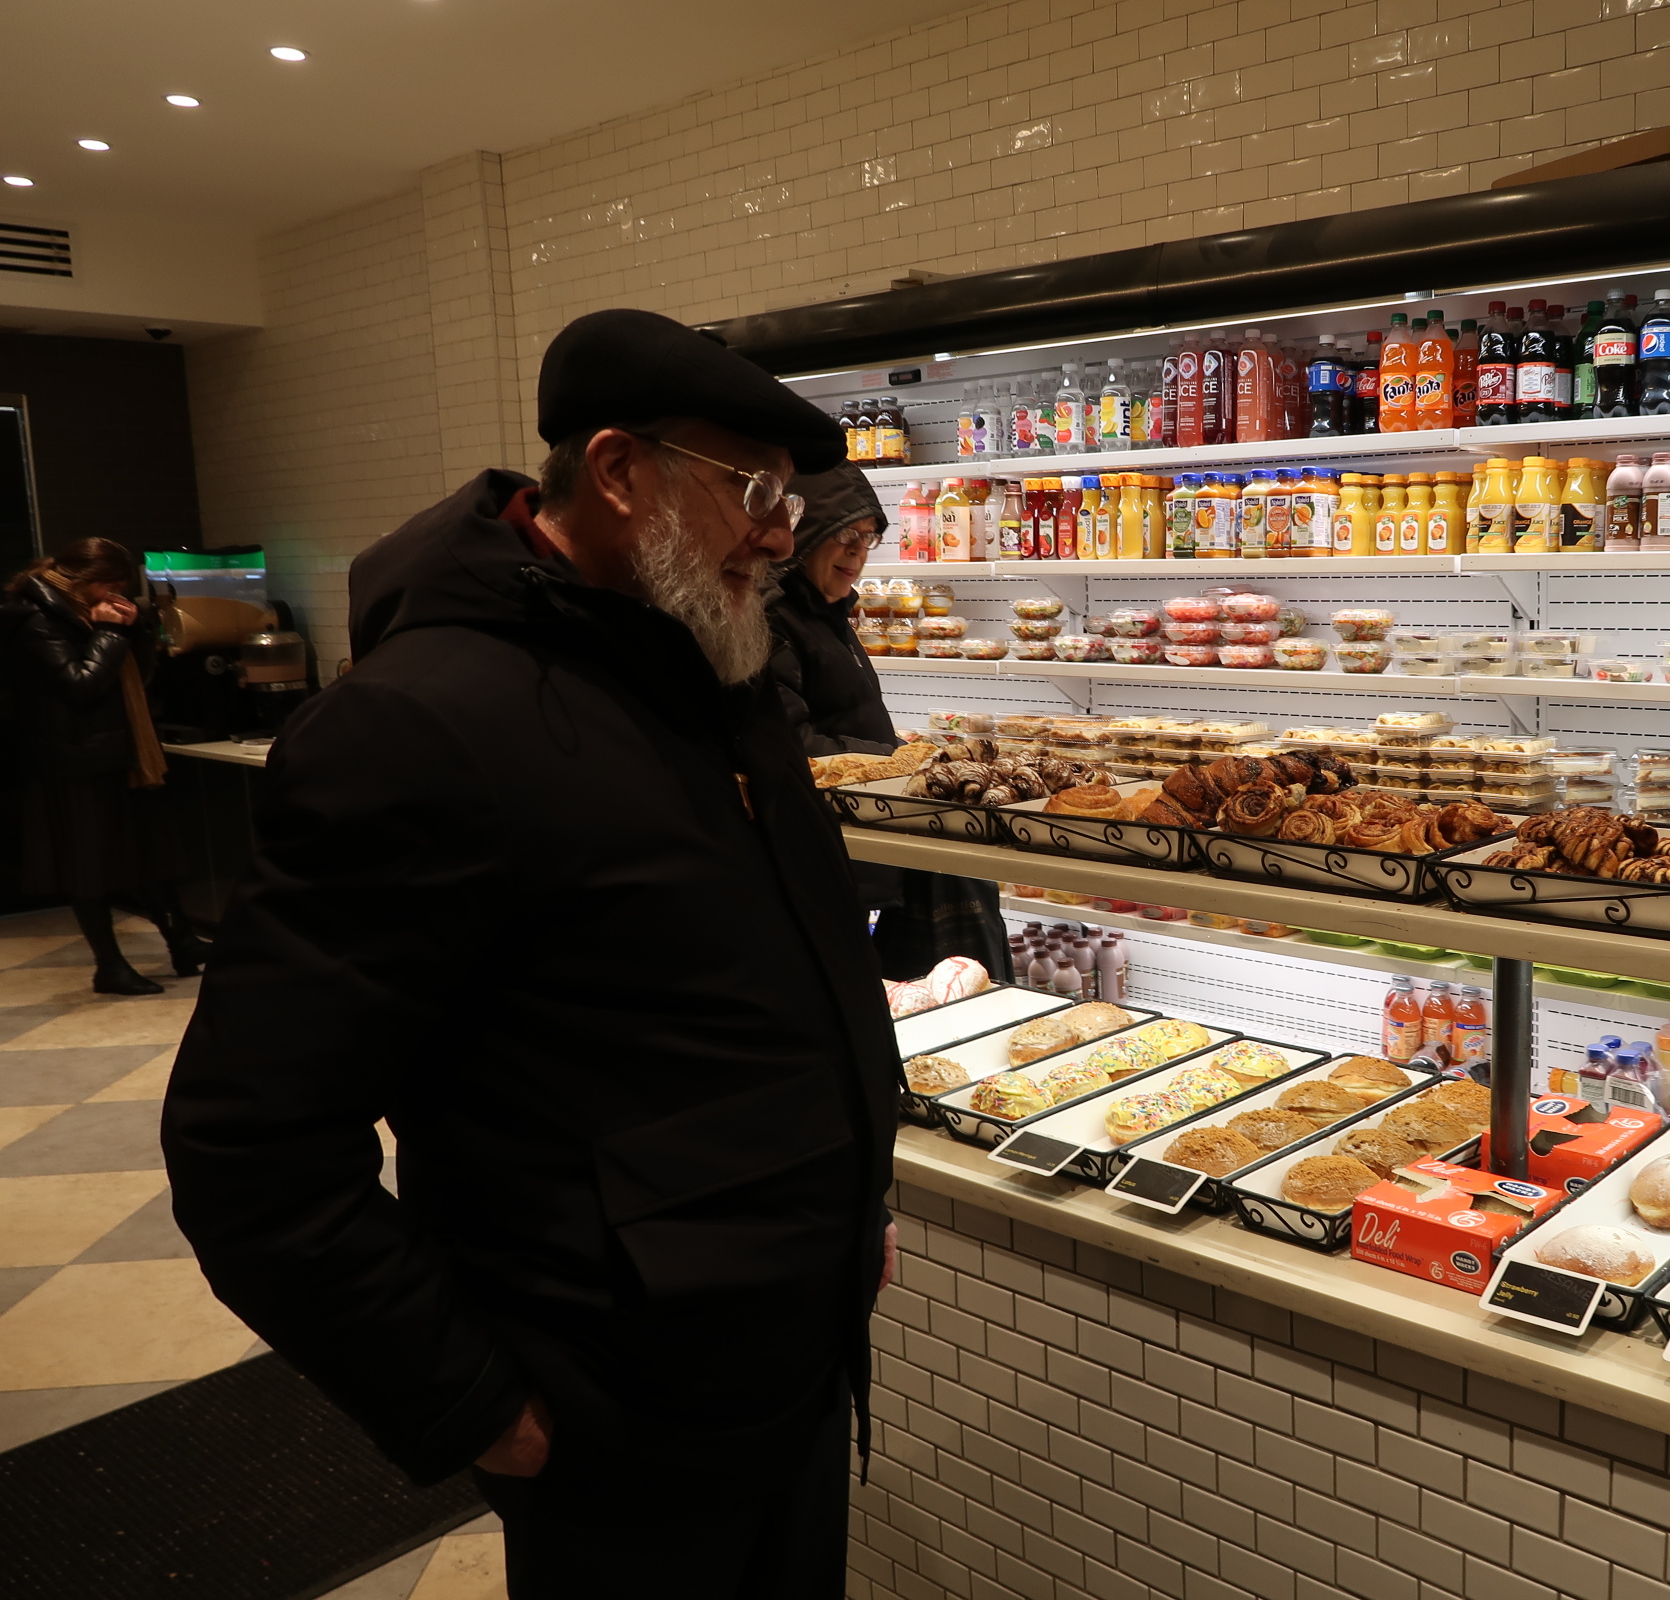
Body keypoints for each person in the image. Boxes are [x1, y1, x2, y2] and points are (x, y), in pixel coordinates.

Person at [161, 309, 899, 1599]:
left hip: (790, 1358)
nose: (784, 531)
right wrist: (468, 1402)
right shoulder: (417, 724)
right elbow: (251, 1152)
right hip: (617, 1412)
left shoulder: (708, 675)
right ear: (618, 473)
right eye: (756, 492)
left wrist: (854, 1200)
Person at [764, 464, 1009, 982]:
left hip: (873, 835)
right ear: (807, 536)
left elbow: (847, 719)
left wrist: (905, 753)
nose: (856, 551)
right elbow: (795, 743)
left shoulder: (829, 616)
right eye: (844, 536)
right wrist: (895, 760)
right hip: (836, 848)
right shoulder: (775, 620)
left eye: (868, 539)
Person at [1, 537, 208, 992]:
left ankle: (182, 942)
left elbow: (140, 675)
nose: (115, 594)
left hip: (122, 753)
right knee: (88, 866)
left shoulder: (81, 613)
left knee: (151, 854)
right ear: (83, 580)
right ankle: (109, 966)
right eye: (109, 585)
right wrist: (111, 634)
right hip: (72, 762)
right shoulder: (36, 620)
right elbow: (81, 686)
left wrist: (136, 630)